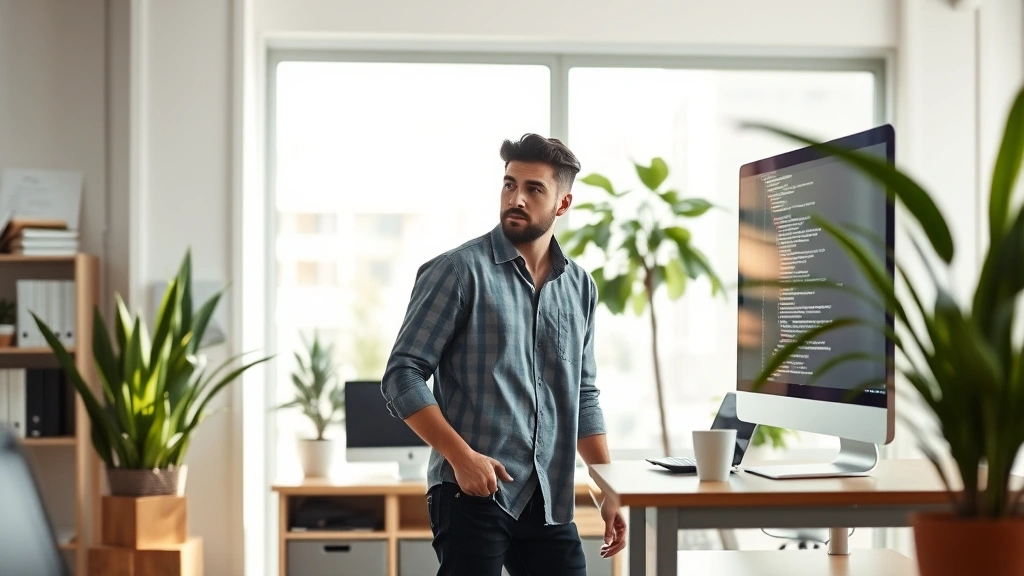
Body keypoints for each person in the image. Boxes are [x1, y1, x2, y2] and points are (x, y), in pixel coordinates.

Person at [381, 133, 626, 576]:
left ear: (562, 204)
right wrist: (461, 458)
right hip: (471, 490)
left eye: (534, 189)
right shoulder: (457, 271)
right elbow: (402, 375)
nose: (517, 198)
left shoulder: (580, 288)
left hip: (548, 497)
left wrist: (610, 486)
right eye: (510, 184)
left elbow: (583, 396)